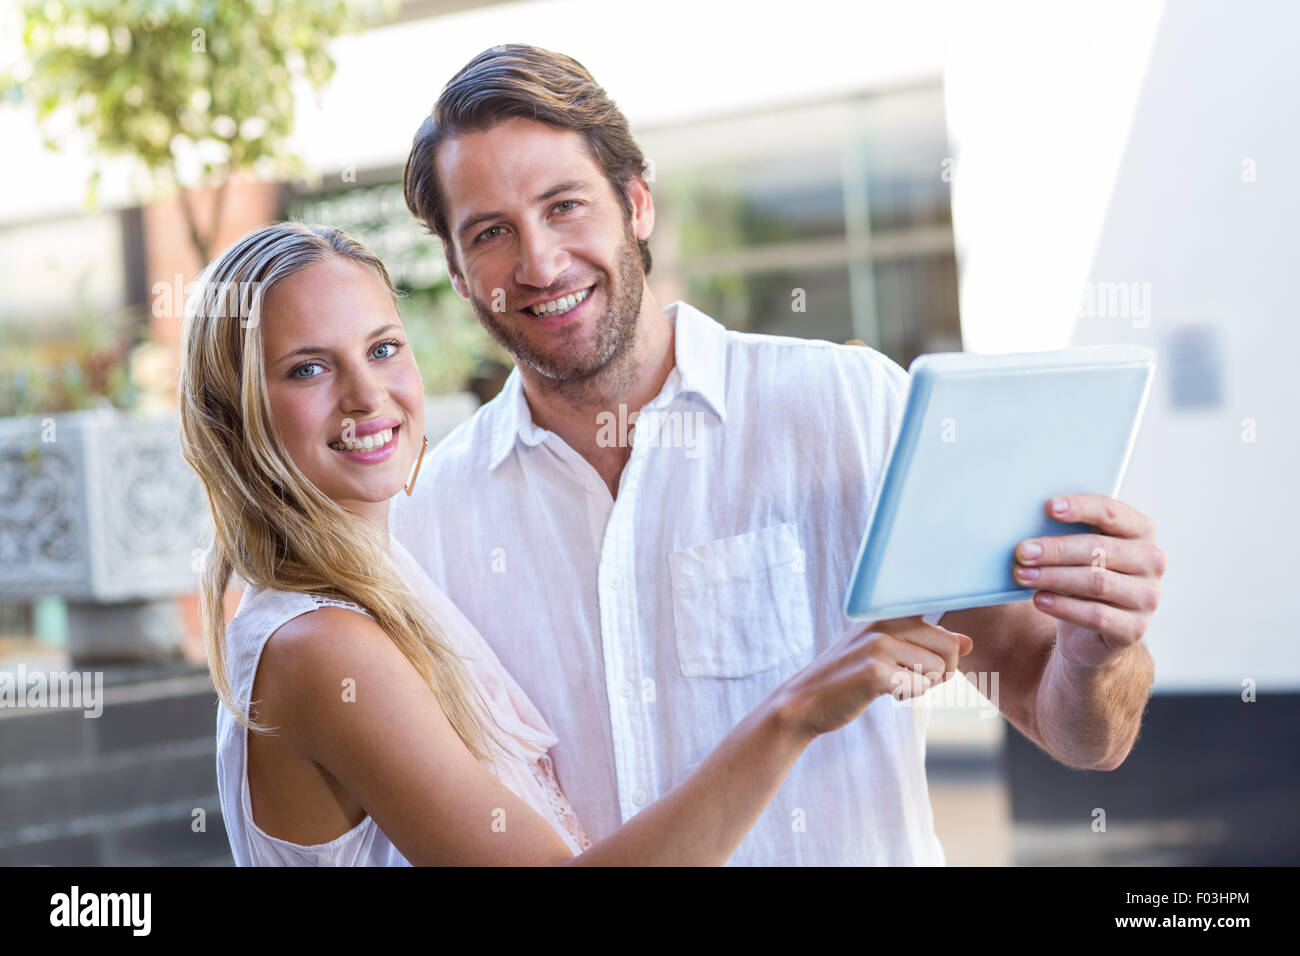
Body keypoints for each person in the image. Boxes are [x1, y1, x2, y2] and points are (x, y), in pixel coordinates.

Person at [392, 44, 1166, 865]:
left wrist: (1095, 654)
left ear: (636, 201)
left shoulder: (849, 409)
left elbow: (1082, 734)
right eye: (490, 233)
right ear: (456, 269)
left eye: (565, 206)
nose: (540, 262)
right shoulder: (427, 524)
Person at [178, 220, 975, 866]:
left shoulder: (388, 589)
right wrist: (794, 713)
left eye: (384, 349)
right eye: (309, 369)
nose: (367, 395)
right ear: (232, 412)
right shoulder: (320, 647)